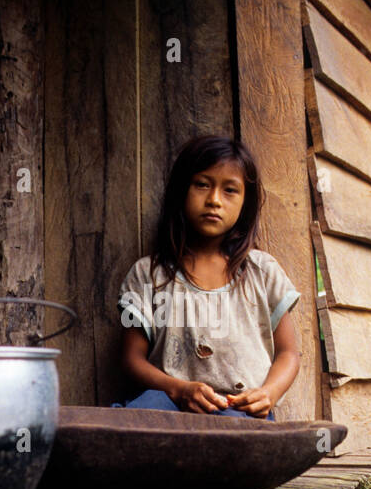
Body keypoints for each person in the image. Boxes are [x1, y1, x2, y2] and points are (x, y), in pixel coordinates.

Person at [113, 135, 301, 421]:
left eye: (230, 190)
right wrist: (177, 389)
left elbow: (289, 353)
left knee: (232, 440)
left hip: (237, 408)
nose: (214, 200)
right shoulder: (148, 274)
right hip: (168, 400)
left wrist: (269, 393)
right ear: (181, 190)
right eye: (202, 184)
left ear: (245, 204)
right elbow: (131, 359)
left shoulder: (261, 272)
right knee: (131, 423)